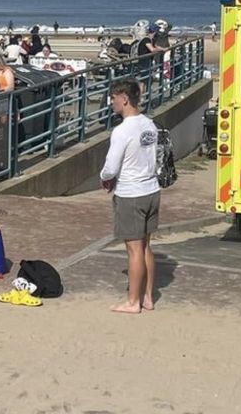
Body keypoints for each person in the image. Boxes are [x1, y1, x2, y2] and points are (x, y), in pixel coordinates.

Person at [99, 78, 161, 314]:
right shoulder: (149, 125)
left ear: (124, 99)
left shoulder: (123, 130)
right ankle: (148, 296)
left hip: (131, 193)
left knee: (134, 249)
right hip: (151, 189)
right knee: (146, 246)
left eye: (113, 99)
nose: (111, 103)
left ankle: (133, 301)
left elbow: (111, 167)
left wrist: (104, 177)